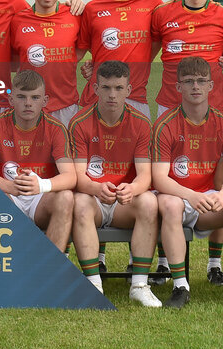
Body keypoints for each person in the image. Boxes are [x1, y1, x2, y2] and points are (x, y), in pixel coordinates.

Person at [151, 56, 223, 308]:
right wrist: (190, 195)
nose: (195, 87)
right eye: (188, 82)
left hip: (207, 200)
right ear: (178, 88)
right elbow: (159, 178)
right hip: (175, 197)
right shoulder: (164, 124)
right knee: (173, 205)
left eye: (201, 81)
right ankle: (180, 286)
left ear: (211, 86)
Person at [69, 61, 162, 307]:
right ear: (95, 88)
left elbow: (145, 175)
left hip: (124, 201)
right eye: (107, 87)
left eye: (119, 88)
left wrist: (133, 188)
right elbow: (78, 175)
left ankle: (139, 285)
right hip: (94, 198)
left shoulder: (141, 123)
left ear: (129, 89)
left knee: (150, 202)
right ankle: (93, 284)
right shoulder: (79, 122)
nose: (112, 94)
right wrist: (96, 188)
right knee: (79, 203)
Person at [0, 70, 76, 248]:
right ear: (11, 99)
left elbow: (70, 176)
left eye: (35, 98)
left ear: (45, 101)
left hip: (40, 198)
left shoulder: (56, 129)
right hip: (9, 196)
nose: (28, 103)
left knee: (66, 198)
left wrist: (41, 185)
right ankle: (11, 267)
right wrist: (9, 186)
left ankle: (50, 269)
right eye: (22, 97)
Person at [77, 0, 162, 118]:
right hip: (96, 98)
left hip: (136, 98)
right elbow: (85, 50)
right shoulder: (92, 8)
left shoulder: (154, 5)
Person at [10, 0, 85, 127]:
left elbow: (84, 49)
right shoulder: (18, 21)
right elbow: (14, 61)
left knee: (65, 153)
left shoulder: (75, 15)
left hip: (66, 106)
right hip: (29, 106)